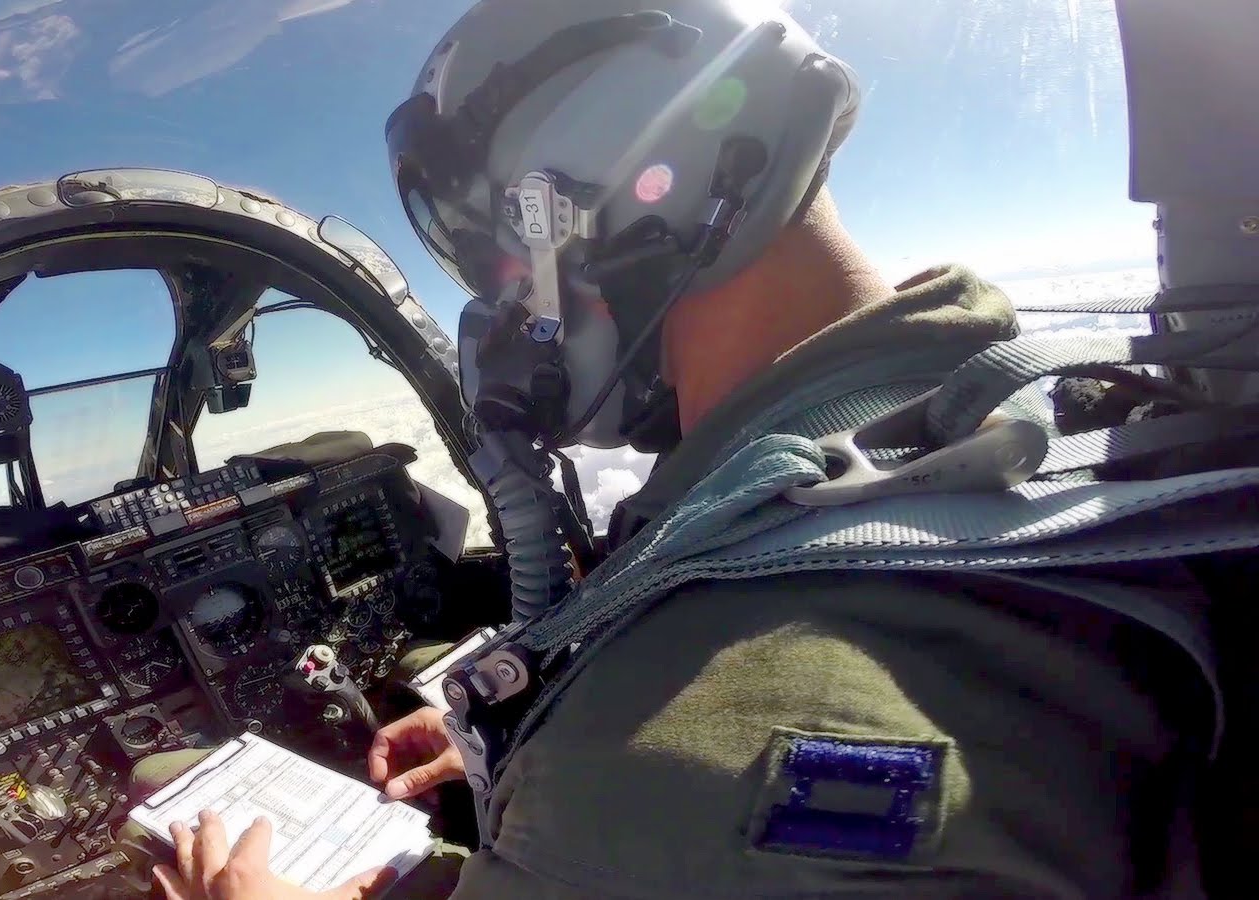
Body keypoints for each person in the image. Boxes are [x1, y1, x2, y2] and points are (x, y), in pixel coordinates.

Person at [148, 1, 1219, 897]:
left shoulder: (681, 752)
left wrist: (595, 771)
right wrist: (522, 730)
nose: (501, 321)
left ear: (591, 216)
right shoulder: (1041, 410)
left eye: (496, 268)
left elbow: (698, 780)